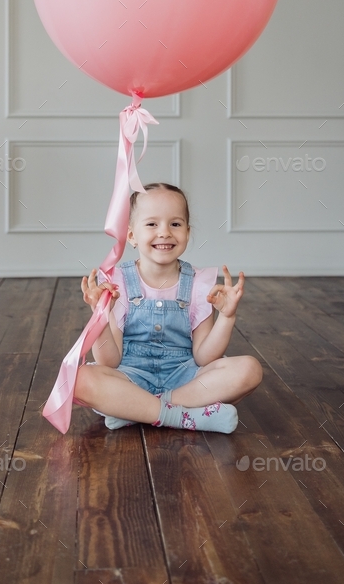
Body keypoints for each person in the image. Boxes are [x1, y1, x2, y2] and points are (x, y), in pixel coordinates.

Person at [73, 182, 263, 432]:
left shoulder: (198, 282)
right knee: (79, 380)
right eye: (152, 224)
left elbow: (204, 357)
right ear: (131, 235)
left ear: (187, 231)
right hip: (131, 377)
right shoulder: (117, 282)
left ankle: (137, 410)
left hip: (184, 381)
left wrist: (227, 317)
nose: (164, 232)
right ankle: (185, 417)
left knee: (250, 370)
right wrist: (99, 315)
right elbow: (109, 361)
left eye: (175, 224)